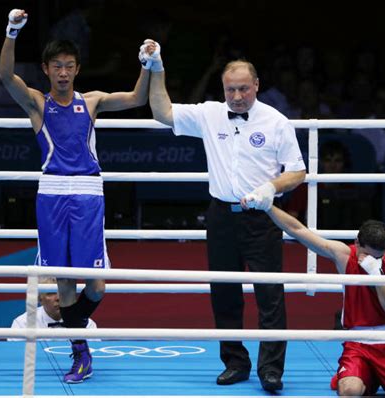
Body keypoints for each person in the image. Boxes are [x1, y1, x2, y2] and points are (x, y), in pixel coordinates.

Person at [0, 9, 151, 383]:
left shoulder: (93, 101)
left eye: (69, 66)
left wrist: (149, 63)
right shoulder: (37, 103)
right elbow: (5, 76)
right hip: (51, 194)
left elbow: (136, 97)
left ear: (77, 69)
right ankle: (81, 354)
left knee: (96, 283)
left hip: (87, 195)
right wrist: (12, 31)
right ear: (47, 69)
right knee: (63, 281)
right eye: (57, 66)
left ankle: (72, 324)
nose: (63, 72)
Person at [146, 41, 306, 392]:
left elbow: (298, 171)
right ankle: (235, 363)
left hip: (262, 217)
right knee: (224, 294)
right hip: (220, 215)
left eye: (243, 89)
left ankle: (271, 370)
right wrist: (156, 67)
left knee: (270, 295)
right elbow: (162, 112)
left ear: (257, 85)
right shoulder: (209, 113)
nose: (236, 96)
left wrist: (271, 187)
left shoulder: (276, 122)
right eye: (230, 89)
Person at [252, 202, 385, 397]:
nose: (368, 260)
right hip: (358, 344)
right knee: (349, 391)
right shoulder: (345, 255)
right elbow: (298, 230)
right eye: (366, 254)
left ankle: (375, 377)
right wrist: (268, 206)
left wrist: (376, 274)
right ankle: (361, 375)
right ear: (357, 243)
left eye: (376, 257)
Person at [10, 277, 97, 340]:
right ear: (39, 298)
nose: (58, 298)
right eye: (51, 293)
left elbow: (95, 359)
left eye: (63, 292)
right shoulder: (22, 324)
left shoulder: (87, 324)